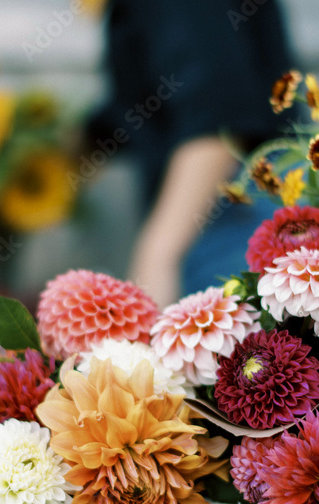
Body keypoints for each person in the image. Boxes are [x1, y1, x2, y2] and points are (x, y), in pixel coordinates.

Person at [86, 0, 298, 306]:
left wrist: (157, 257)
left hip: (232, 221)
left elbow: (217, 127)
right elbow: (150, 105)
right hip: (235, 212)